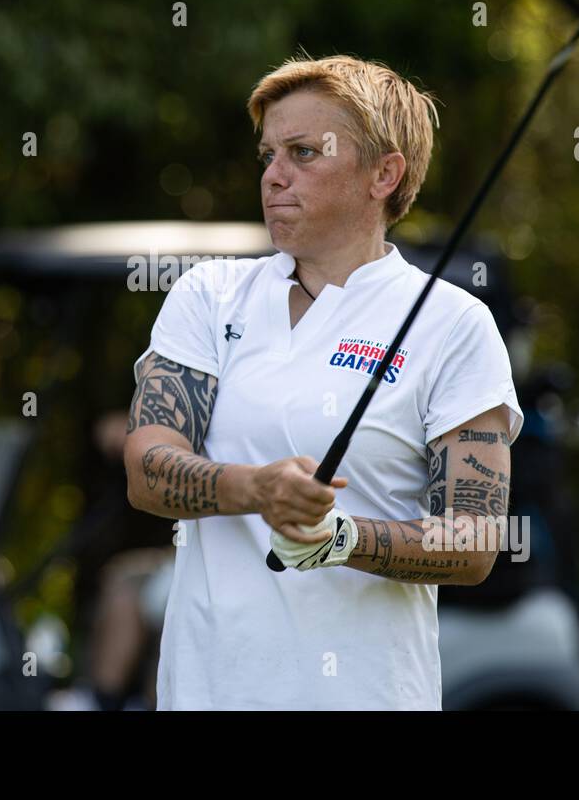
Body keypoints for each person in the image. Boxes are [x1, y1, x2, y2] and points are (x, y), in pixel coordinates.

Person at [123, 54, 523, 710]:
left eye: (304, 153)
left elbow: (473, 542)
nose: (275, 176)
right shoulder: (210, 295)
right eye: (269, 155)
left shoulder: (454, 325)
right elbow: (147, 470)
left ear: (383, 174)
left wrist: (344, 539)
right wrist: (256, 488)